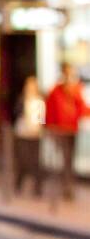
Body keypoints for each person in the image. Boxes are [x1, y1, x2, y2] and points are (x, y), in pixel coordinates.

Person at [45, 63, 87, 201]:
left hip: (72, 130)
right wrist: (48, 126)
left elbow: (82, 108)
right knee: (65, 158)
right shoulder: (56, 91)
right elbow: (49, 110)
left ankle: (69, 187)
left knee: (70, 159)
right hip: (60, 130)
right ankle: (66, 187)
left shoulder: (76, 90)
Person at [12, 75, 46, 197]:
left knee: (35, 162)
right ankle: (18, 184)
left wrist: (40, 128)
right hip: (23, 133)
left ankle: (37, 188)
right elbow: (16, 114)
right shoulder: (22, 100)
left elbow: (41, 120)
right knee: (22, 160)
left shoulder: (39, 101)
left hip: (35, 134)